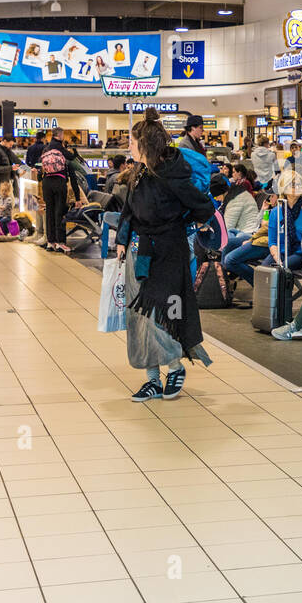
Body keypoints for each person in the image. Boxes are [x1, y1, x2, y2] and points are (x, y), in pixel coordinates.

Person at [114, 108, 215, 401]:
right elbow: (128, 211)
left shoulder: (172, 175)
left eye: (132, 142)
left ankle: (174, 368)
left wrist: (186, 225)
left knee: (165, 312)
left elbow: (203, 205)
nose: (128, 147)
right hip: (142, 252)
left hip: (170, 252)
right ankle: (152, 378)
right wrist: (122, 240)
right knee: (140, 317)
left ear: (145, 144)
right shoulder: (137, 174)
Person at [224, 171, 302, 283]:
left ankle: (281, 299)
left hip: (300, 253)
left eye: (300, 184)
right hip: (279, 252)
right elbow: (272, 241)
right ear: (284, 188)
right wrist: (276, 256)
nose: (298, 187)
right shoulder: (277, 211)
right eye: (293, 184)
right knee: (263, 273)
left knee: (278, 271)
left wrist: (280, 262)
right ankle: (266, 297)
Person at [39, 127, 81, 253]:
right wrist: (77, 197)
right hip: (59, 182)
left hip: (47, 183)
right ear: (61, 135)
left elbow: (40, 167)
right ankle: (60, 242)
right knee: (60, 212)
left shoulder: (46, 148)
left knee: (49, 211)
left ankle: (50, 242)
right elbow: (72, 174)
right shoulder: (63, 151)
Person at [213, 174, 259, 249]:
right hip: (241, 231)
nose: (216, 199)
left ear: (222, 193)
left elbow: (227, 226)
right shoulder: (233, 195)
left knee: (224, 243)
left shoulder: (236, 200)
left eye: (216, 197)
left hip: (247, 232)